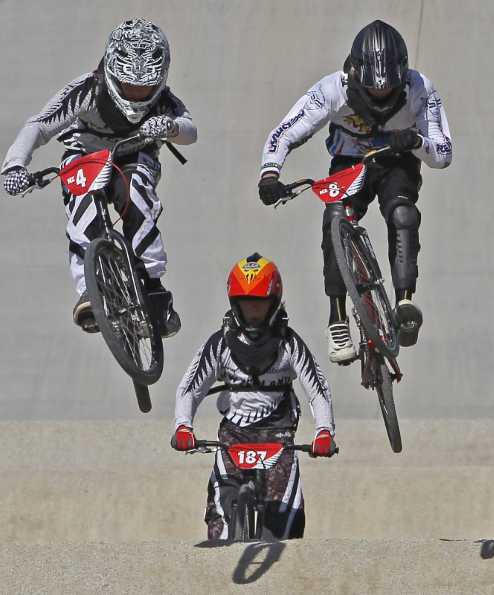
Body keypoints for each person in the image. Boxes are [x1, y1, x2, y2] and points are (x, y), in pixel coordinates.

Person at [256, 19, 453, 364]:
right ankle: (337, 318)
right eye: (372, 89)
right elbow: (284, 133)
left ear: (402, 75)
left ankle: (404, 300)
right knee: (335, 216)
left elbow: (443, 153)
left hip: (397, 162)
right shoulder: (332, 89)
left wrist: (417, 141)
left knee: (403, 214)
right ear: (355, 73)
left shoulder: (421, 88)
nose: (380, 96)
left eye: (388, 89)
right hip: (350, 164)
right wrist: (270, 174)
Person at [1, 18, 196, 335]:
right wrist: (14, 166)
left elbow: (191, 132)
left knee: (138, 197)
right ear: (110, 70)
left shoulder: (164, 101)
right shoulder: (85, 91)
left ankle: (154, 287)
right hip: (85, 156)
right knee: (81, 208)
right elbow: (39, 126)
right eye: (128, 86)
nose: (135, 95)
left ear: (160, 79)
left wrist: (171, 127)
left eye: (144, 87)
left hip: (135, 155)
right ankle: (89, 291)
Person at [171, 254, 337, 540]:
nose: (254, 313)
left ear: (274, 303)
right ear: (234, 305)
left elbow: (318, 389)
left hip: (279, 436)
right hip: (233, 435)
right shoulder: (219, 344)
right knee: (219, 522)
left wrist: (324, 431)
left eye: (259, 304)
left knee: (287, 522)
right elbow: (190, 388)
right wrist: (183, 426)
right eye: (247, 305)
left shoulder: (290, 343)